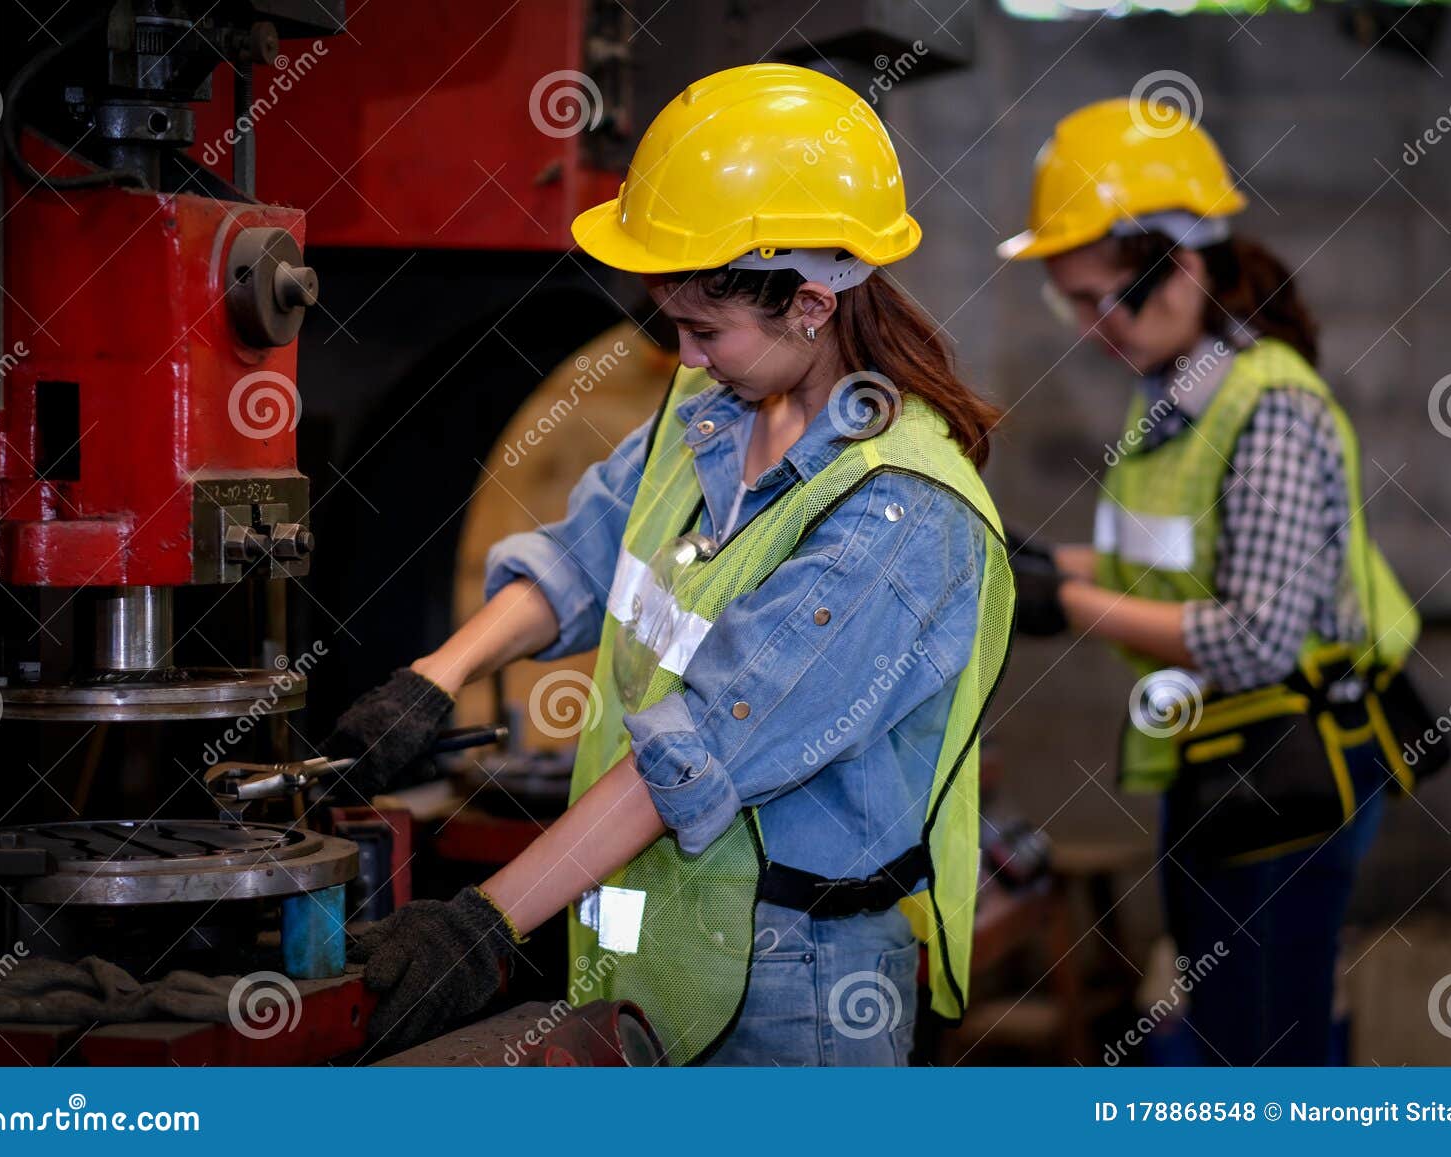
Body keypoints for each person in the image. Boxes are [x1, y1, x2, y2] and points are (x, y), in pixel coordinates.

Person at [322, 63, 1016, 1067]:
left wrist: (482, 920)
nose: (685, 358)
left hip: (794, 983)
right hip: (646, 936)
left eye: (705, 329)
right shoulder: (706, 419)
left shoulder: (898, 512)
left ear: (812, 304)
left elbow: (704, 745)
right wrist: (434, 679)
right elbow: (580, 555)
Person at [997, 98, 1437, 1065]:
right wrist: (1030, 558)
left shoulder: (1268, 404)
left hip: (1290, 761)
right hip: (1223, 753)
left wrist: (1063, 600)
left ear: (1180, 265)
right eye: (1067, 300)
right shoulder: (1173, 399)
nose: (1086, 326)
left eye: (1101, 295)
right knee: (1244, 1013)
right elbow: (1161, 567)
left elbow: (1255, 636)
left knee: (1262, 1035)